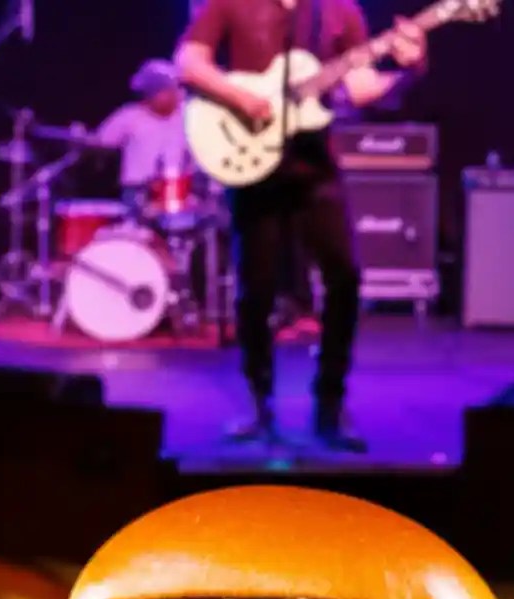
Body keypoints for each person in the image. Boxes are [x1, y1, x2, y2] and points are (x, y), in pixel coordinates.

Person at [175, 0, 427, 451]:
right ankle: (259, 402)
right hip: (253, 163)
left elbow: (361, 88)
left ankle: (330, 401)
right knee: (257, 289)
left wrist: (411, 69)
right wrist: (241, 97)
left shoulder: (339, 10)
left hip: (315, 167)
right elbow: (189, 62)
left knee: (345, 277)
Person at [95, 59, 192, 195]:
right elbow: (100, 143)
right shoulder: (129, 115)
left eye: (174, 90)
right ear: (149, 95)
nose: (173, 95)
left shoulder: (187, 116)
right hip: (137, 190)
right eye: (165, 91)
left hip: (179, 189)